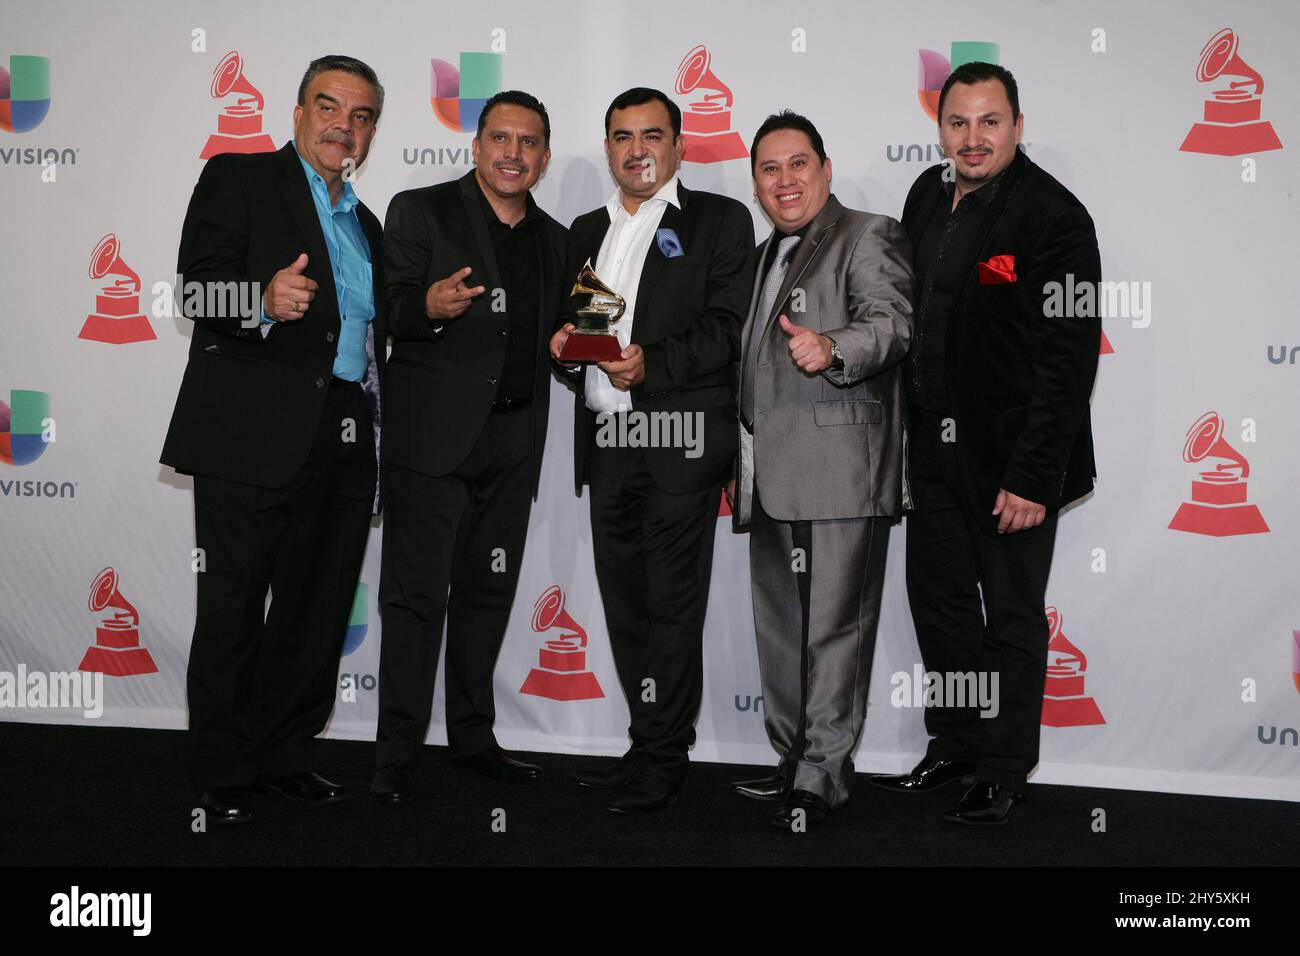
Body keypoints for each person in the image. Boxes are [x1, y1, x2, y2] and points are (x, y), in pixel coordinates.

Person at [870, 62, 1101, 824]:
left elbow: (1067, 362)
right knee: (940, 609)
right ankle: (957, 742)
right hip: (932, 456)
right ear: (940, 129)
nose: (973, 138)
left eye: (989, 121)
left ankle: (1003, 767)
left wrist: (1034, 476)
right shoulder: (923, 198)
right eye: (958, 123)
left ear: (1017, 126)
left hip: (1012, 465)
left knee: (1009, 617)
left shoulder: (1055, 219)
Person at [161, 55, 386, 824]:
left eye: (360, 116)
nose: (342, 126)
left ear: (371, 133)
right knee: (233, 606)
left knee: (316, 606)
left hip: (346, 432)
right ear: (297, 113)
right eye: (329, 107)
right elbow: (193, 288)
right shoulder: (240, 178)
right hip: (251, 431)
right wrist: (257, 298)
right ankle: (222, 770)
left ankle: (286, 754)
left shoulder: (367, 222)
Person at [548, 87, 754, 813]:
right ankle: (645, 742)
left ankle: (664, 756)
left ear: (679, 146)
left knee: (670, 605)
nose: (638, 148)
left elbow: (730, 328)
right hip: (610, 440)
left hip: (679, 442)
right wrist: (567, 351)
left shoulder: (719, 221)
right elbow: (587, 330)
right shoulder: (585, 228)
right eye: (623, 135)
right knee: (626, 602)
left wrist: (650, 366)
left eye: (653, 135)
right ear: (608, 147)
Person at [371, 91, 569, 803]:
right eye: (500, 138)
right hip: (433, 443)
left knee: (488, 595)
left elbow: (567, 339)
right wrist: (425, 307)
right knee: (414, 601)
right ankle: (394, 752)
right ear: (476, 146)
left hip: (514, 441)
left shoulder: (555, 239)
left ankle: (473, 737)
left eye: (528, 142)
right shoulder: (419, 210)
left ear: (543, 157)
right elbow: (385, 309)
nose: (513, 153)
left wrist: (577, 352)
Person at [728, 111, 913, 829]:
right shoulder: (759, 254)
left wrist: (832, 349)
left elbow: (892, 323)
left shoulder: (869, 233)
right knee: (781, 630)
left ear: (826, 169)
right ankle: (790, 760)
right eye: (770, 169)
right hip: (769, 473)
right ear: (756, 184)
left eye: (798, 163)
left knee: (835, 631)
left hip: (841, 470)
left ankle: (823, 774)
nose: (785, 179)